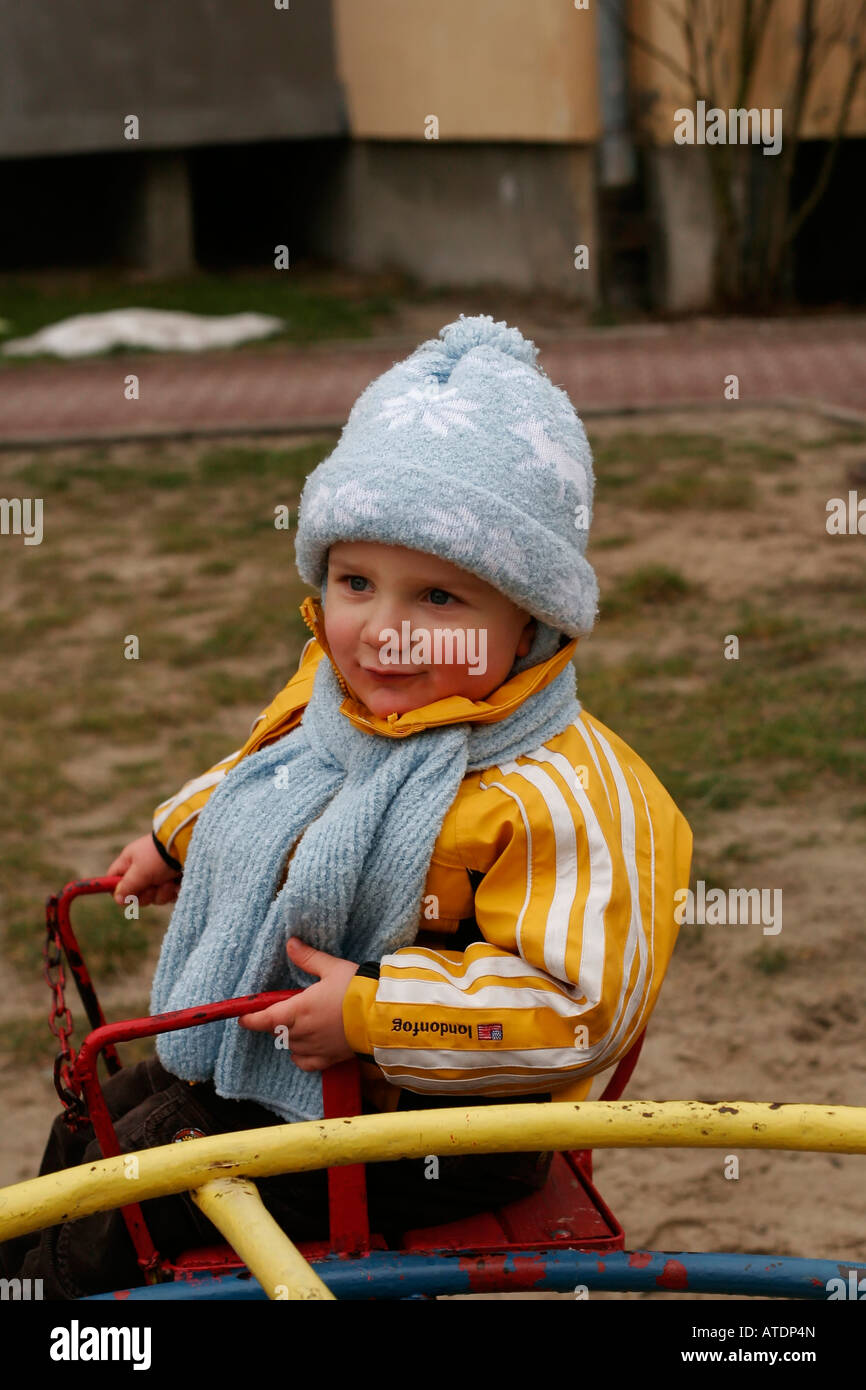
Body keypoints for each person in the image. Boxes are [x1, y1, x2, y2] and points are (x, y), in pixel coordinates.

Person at [1, 314, 693, 1298]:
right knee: (94, 1125)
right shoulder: (336, 696)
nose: (384, 632)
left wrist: (375, 1014)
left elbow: (575, 1012)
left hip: (443, 1125)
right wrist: (176, 835)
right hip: (288, 1055)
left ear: (532, 620)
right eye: (355, 582)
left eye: (439, 600)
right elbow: (266, 779)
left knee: (145, 1193)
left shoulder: (559, 793)